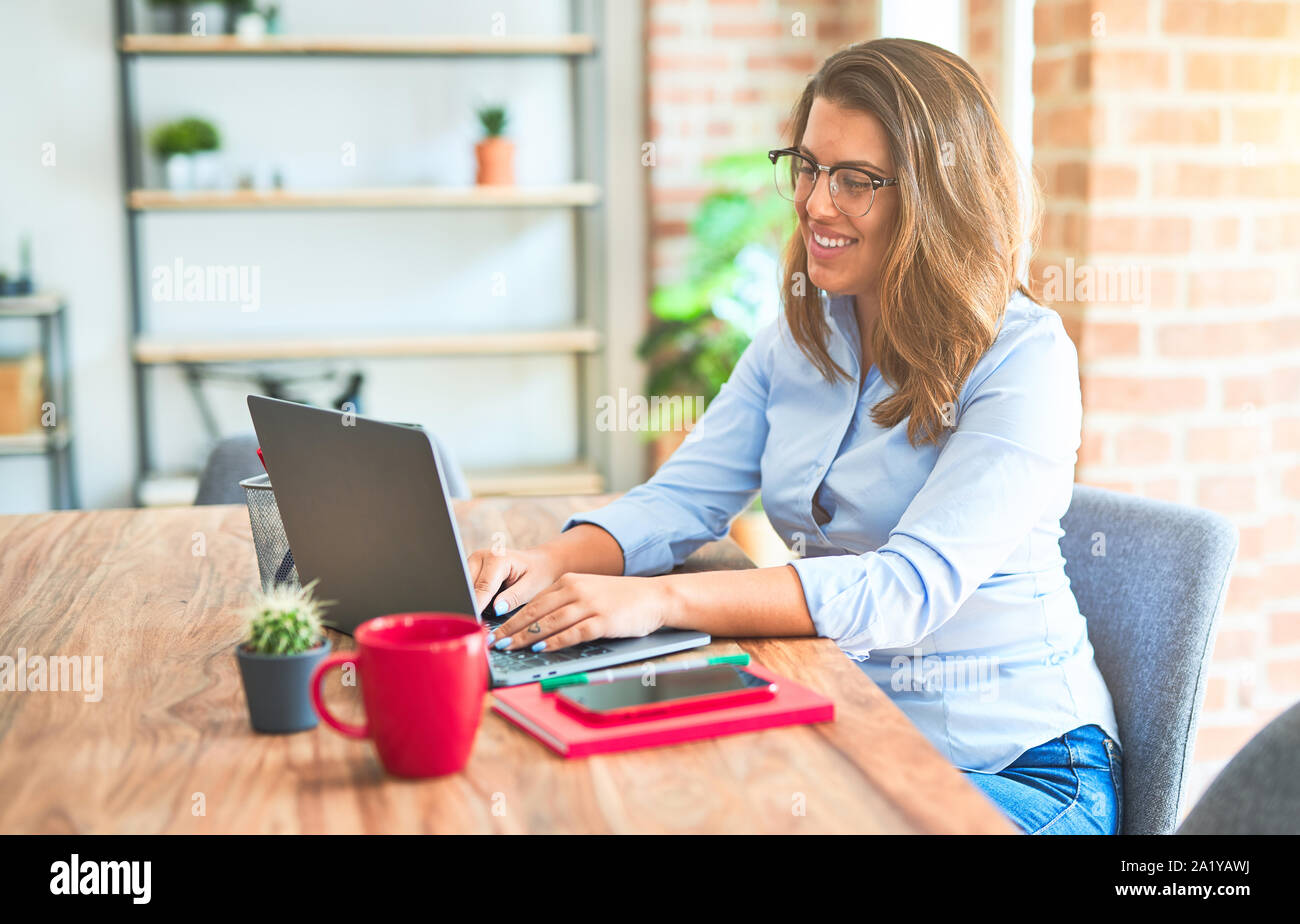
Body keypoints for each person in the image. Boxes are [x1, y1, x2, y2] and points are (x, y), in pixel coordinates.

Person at [468, 38, 1122, 835]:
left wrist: (658, 599)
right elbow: (683, 496)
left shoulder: (1025, 358)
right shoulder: (801, 333)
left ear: (935, 196)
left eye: (856, 181)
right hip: (854, 724)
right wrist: (546, 567)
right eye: (808, 167)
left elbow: (903, 590)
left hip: (1018, 772)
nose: (814, 202)